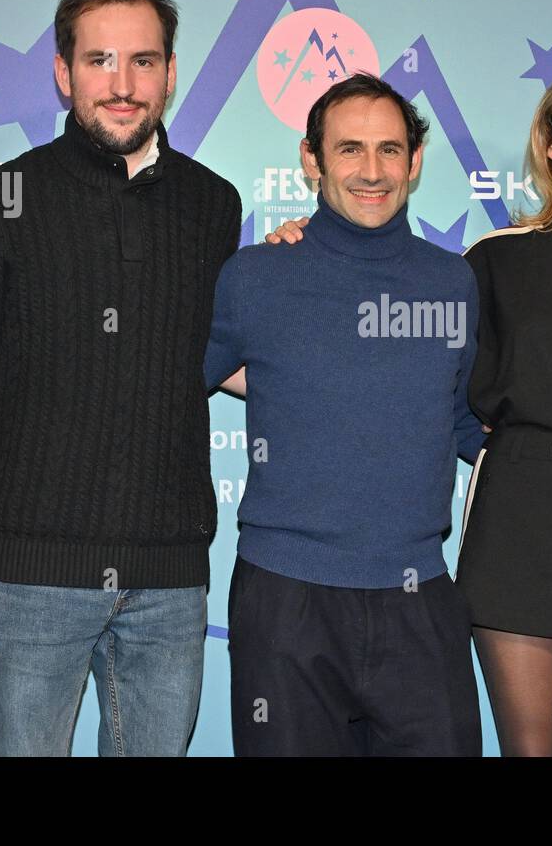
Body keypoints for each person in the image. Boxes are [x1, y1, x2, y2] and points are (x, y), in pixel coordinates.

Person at [268, 58, 552, 757]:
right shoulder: (490, 260)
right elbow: (416, 371)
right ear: (550, 144)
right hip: (515, 530)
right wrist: (309, 248)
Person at [0, 0, 242, 756]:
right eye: (99, 61)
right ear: (62, 73)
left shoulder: (212, 204)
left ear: (170, 74)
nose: (122, 84)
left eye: (143, 61)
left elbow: (221, 350)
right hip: (29, 579)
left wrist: (311, 266)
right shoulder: (2, 199)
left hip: (169, 582)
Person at [205, 73, 486, 756]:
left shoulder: (452, 281)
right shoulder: (254, 276)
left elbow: (468, 424)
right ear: (312, 159)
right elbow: (156, 391)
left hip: (420, 594)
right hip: (285, 601)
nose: (372, 171)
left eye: (390, 150)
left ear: (415, 163)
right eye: (350, 149)